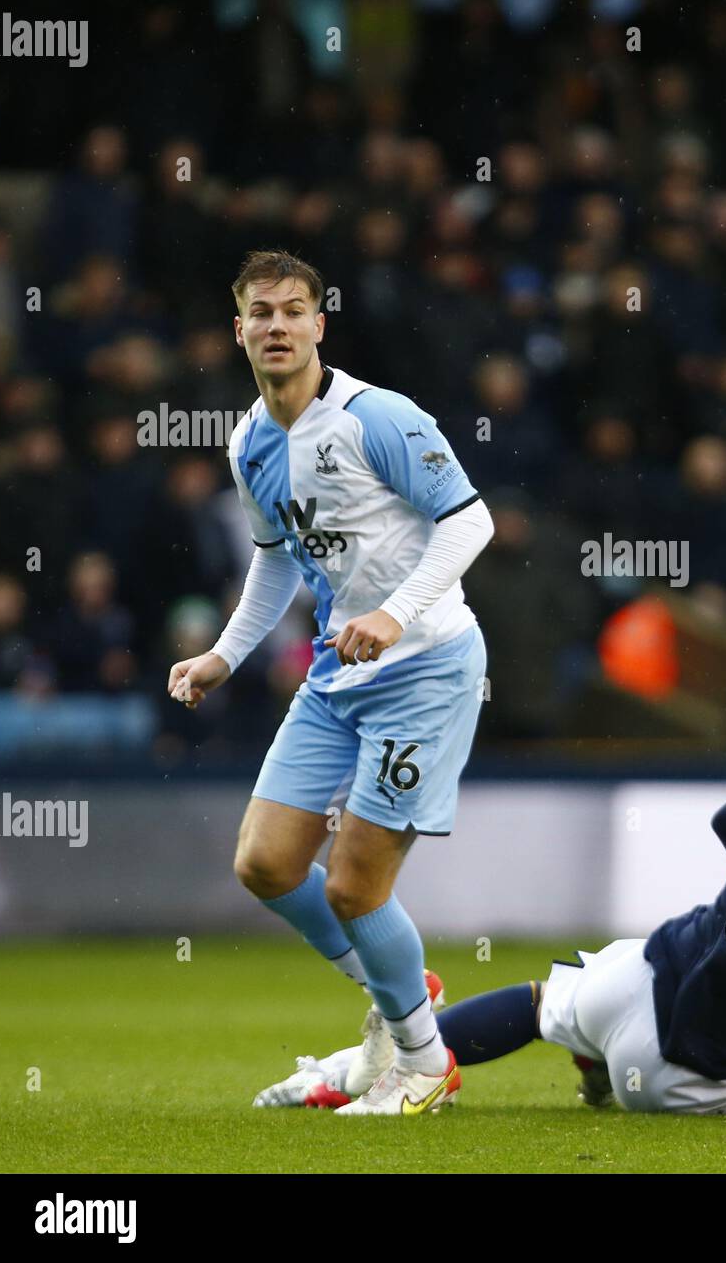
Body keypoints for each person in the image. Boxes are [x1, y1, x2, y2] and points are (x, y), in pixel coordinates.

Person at [256, 729, 726, 1118]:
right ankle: (603, 1068)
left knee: (543, 1003)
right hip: (680, 1075)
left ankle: (351, 1073)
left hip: (641, 972)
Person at [168, 250, 493, 1116]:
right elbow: (275, 565)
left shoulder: (374, 416)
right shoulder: (248, 442)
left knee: (354, 888)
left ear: (321, 323)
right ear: (238, 331)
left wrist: (394, 613)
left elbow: (470, 522)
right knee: (267, 864)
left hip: (424, 667)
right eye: (260, 313)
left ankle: (424, 1063)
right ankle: (402, 993)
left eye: (294, 310)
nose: (277, 326)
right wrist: (223, 657)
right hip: (337, 677)